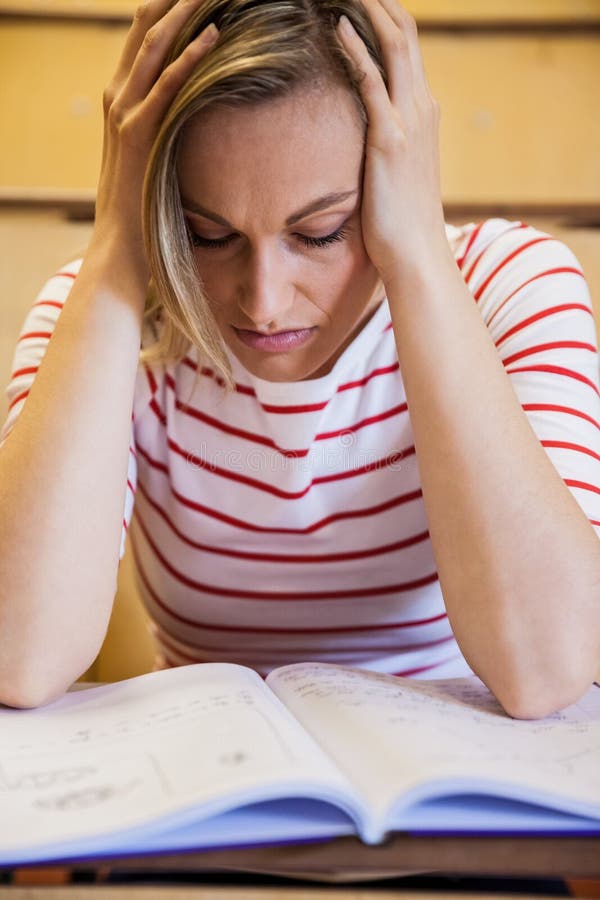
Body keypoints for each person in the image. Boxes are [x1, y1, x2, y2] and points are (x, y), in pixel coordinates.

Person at [1, 0, 599, 716]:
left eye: (321, 232)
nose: (263, 303)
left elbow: (549, 666)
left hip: (448, 788)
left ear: (397, 182)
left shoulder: (510, 284)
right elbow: (17, 659)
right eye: (207, 233)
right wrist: (115, 252)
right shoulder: (100, 310)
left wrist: (417, 264)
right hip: (210, 777)